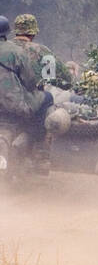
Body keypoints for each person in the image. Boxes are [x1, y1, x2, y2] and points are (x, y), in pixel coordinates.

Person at [0, 15, 55, 174]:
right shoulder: (20, 52)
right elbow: (31, 82)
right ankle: (38, 145)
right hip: (13, 105)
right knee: (48, 98)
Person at [11, 14, 71, 88]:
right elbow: (66, 77)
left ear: (16, 31)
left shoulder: (5, 49)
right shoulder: (41, 50)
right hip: (35, 96)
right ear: (33, 33)